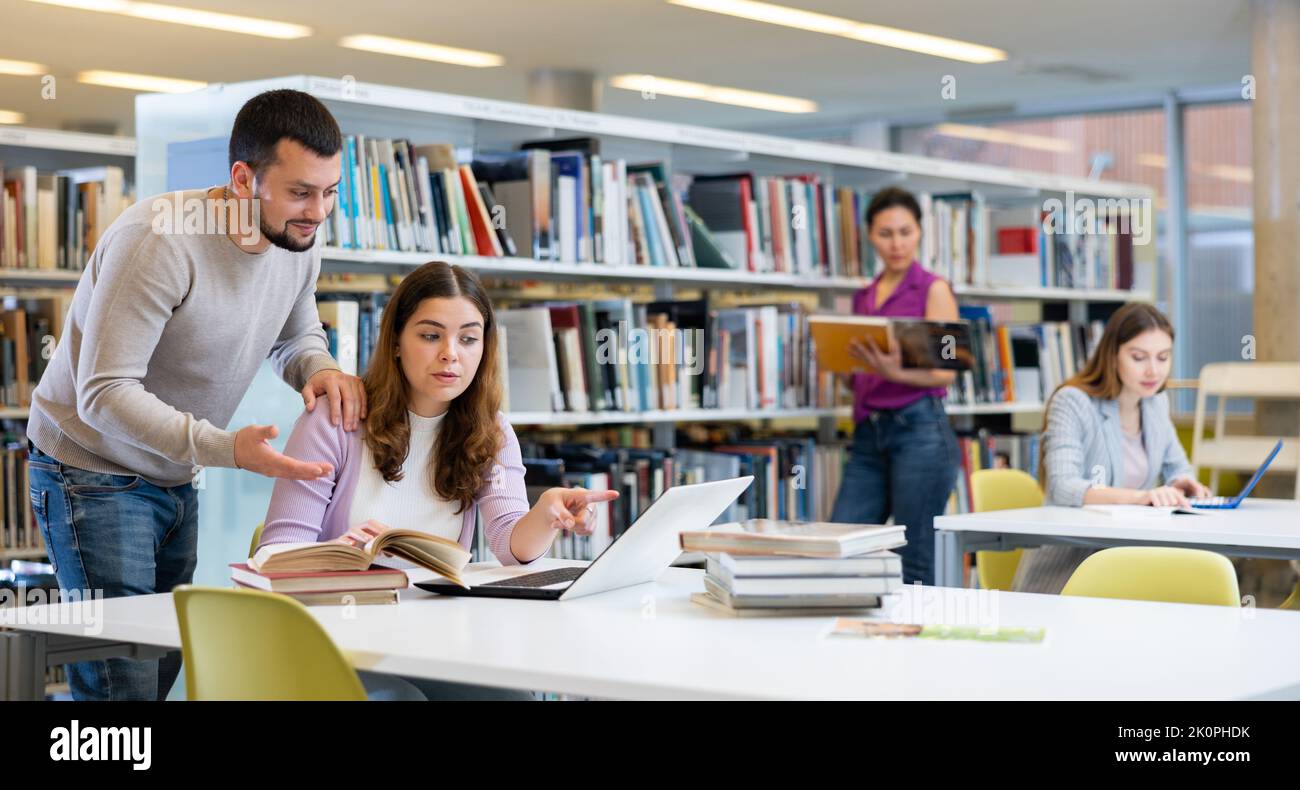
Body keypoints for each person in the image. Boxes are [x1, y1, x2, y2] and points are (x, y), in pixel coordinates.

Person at [25, 89, 365, 701]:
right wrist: (225, 448)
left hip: (175, 477)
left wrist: (316, 368)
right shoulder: (161, 239)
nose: (319, 212)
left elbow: (296, 334)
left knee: (160, 671)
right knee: (119, 685)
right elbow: (103, 392)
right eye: (300, 192)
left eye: (330, 191)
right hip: (90, 470)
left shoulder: (296, 240)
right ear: (243, 179)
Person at [257, 261, 618, 701]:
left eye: (468, 339)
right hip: (334, 636)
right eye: (430, 336)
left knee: (512, 698)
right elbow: (276, 553)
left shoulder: (492, 430)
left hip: (433, 638)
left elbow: (511, 546)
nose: (451, 353)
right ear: (395, 342)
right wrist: (344, 556)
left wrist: (546, 514)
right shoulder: (335, 421)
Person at [1012, 302, 1211, 594]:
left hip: (1128, 562)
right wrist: (1140, 497)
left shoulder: (1155, 403)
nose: (1153, 370)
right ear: (1113, 354)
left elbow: (1178, 467)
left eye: (1163, 357)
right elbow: (1063, 487)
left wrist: (1182, 483)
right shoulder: (1073, 402)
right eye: (1139, 357)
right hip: (1069, 567)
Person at [829, 187, 961, 587]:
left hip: (920, 432)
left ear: (920, 232)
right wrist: (841, 364)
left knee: (914, 556)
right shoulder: (864, 297)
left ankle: (917, 642)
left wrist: (895, 372)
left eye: (905, 231)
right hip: (870, 434)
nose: (897, 243)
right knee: (839, 545)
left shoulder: (933, 290)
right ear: (870, 235)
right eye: (886, 233)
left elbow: (946, 371)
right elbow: (857, 375)